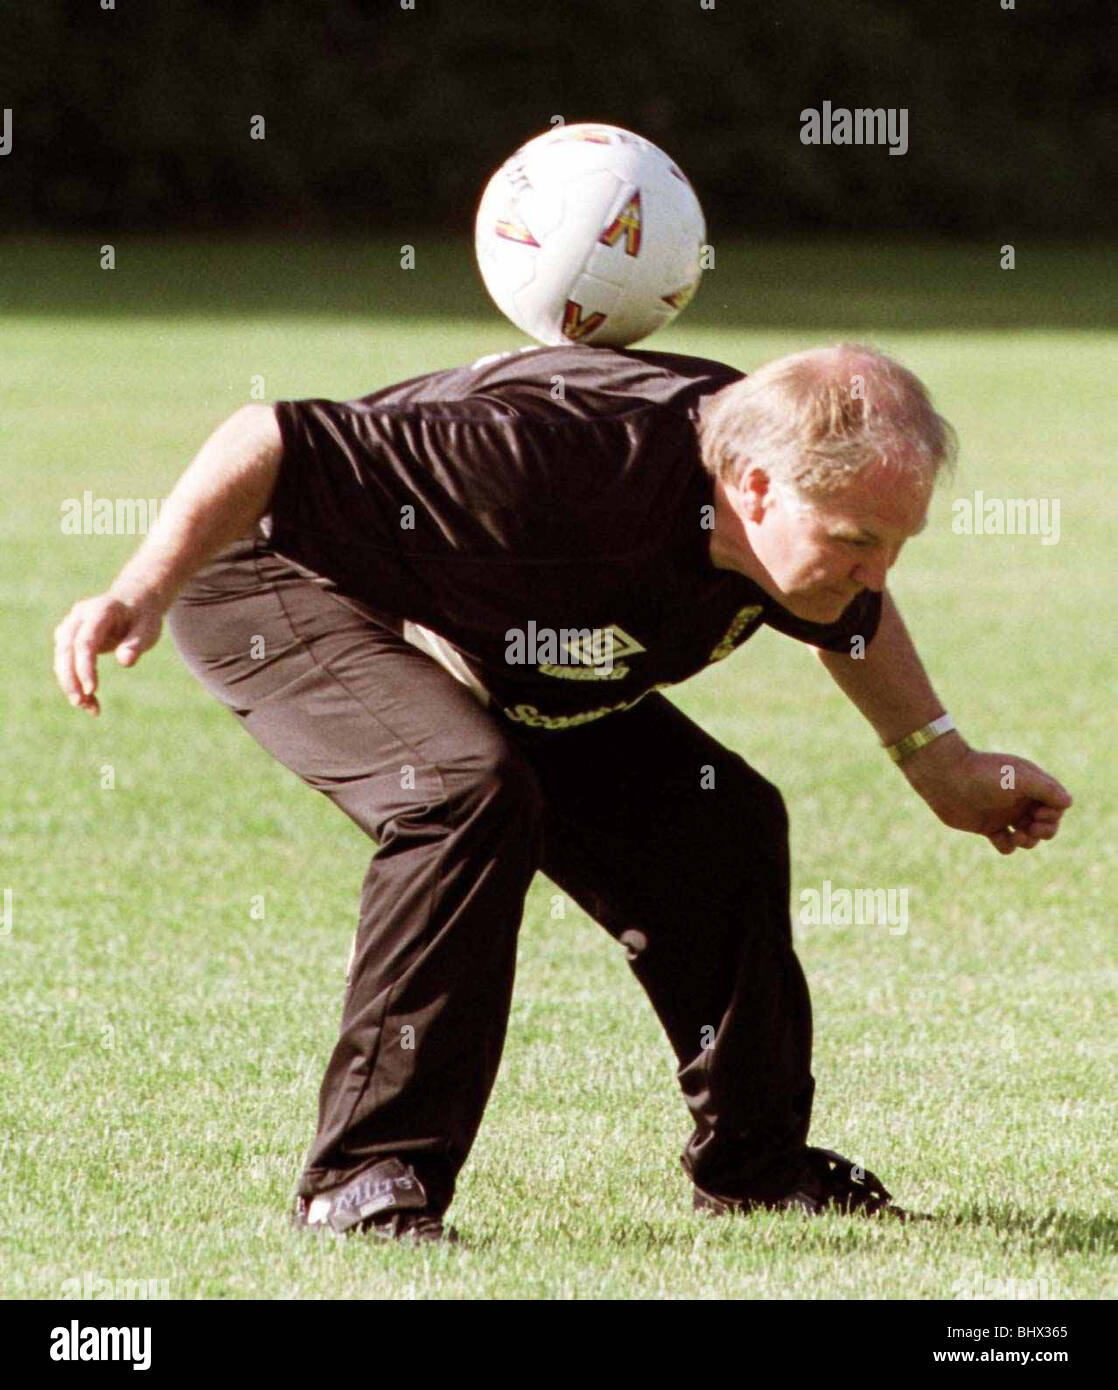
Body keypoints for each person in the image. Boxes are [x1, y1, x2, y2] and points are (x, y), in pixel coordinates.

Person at [53, 342, 1072, 1241]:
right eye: (858, 540)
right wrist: (137, 586)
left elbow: (851, 611)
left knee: (719, 820)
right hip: (280, 582)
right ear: (754, 488)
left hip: (497, 639)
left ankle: (756, 1175)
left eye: (896, 545)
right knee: (462, 792)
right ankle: (363, 1180)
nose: (876, 569)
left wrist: (940, 762)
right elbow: (265, 436)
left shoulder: (783, 509)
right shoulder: (560, 460)